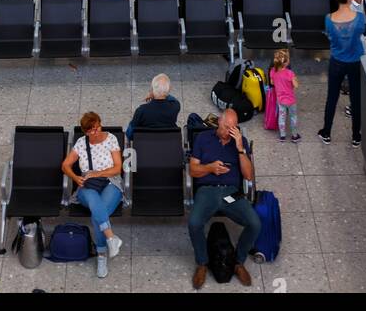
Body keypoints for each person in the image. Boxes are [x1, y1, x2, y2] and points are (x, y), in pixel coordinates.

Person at [188, 110, 260, 289]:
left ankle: (238, 262)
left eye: (232, 128)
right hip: (207, 191)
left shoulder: (240, 143)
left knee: (255, 223)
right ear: (218, 122)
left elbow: (249, 176)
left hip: (231, 193)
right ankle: (202, 263)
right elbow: (193, 170)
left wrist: (240, 149)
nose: (228, 131)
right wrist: (210, 168)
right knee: (194, 223)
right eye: (225, 126)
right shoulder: (203, 138)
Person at [61, 112, 123, 280]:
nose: (95, 132)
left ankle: (102, 254)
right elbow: (65, 165)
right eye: (91, 131)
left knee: (97, 212)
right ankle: (110, 238)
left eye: (97, 128)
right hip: (87, 187)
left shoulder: (111, 139)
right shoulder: (81, 143)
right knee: (97, 205)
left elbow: (118, 168)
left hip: (110, 181)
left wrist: (97, 174)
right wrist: (75, 178)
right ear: (85, 132)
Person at [318, 0, 364, 147]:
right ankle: (356, 136)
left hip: (337, 61)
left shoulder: (329, 19)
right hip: (355, 62)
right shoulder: (359, 18)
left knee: (332, 97)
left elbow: (330, 36)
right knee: (356, 98)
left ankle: (327, 132)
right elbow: (361, 34)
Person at [126, 73, 180, 138]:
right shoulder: (175, 106)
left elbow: (129, 134)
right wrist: (162, 93)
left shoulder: (141, 110)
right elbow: (173, 99)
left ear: (152, 90)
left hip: (145, 145)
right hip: (168, 144)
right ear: (168, 90)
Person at [269, 48, 300, 142]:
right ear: (286, 63)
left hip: (280, 100)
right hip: (291, 101)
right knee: (293, 116)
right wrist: (295, 79)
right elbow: (296, 85)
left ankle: (282, 136)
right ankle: (294, 135)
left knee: (281, 117)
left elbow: (272, 83)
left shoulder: (273, 71)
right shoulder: (290, 73)